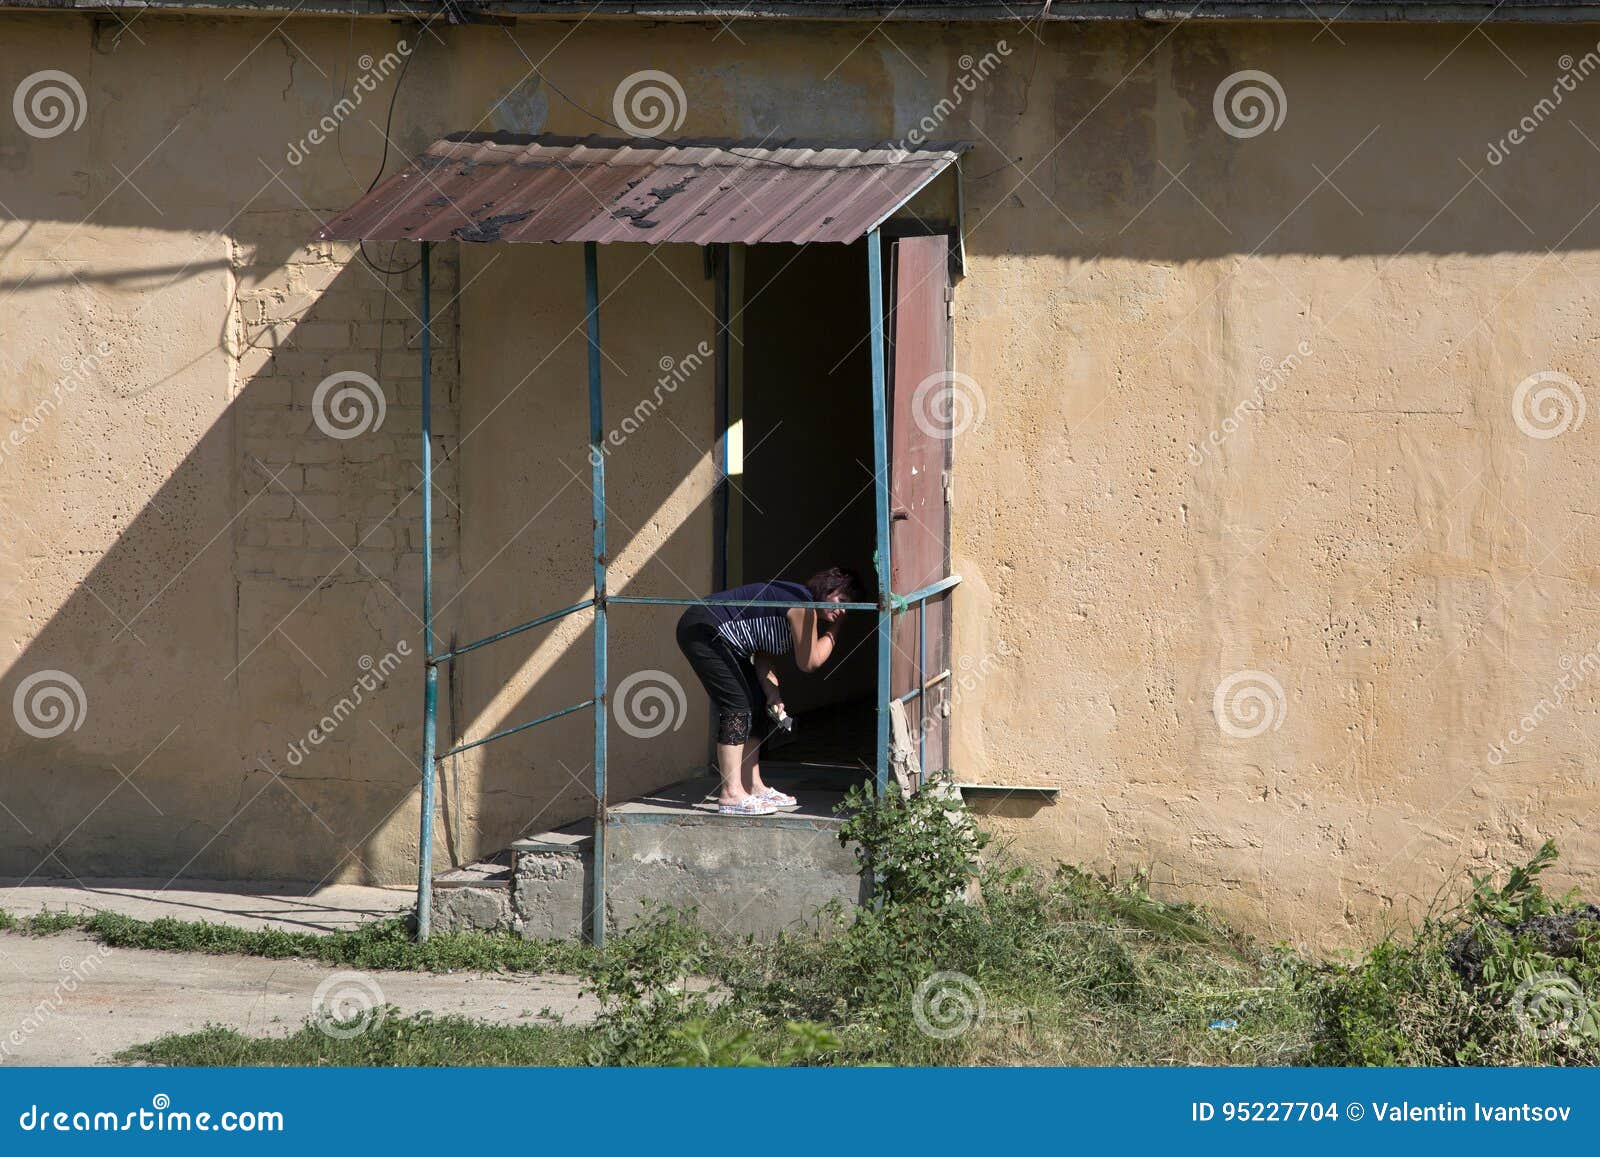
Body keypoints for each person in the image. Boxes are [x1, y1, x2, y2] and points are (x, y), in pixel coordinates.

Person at [675, 566, 860, 815]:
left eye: (848, 607)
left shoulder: (800, 605)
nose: (842, 610)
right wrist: (836, 632)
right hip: (705, 630)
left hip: (728, 641)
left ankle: (754, 786)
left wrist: (772, 693)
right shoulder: (803, 606)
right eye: (841, 601)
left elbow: (762, 654)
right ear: (829, 589)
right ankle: (731, 794)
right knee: (737, 705)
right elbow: (810, 662)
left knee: (758, 702)